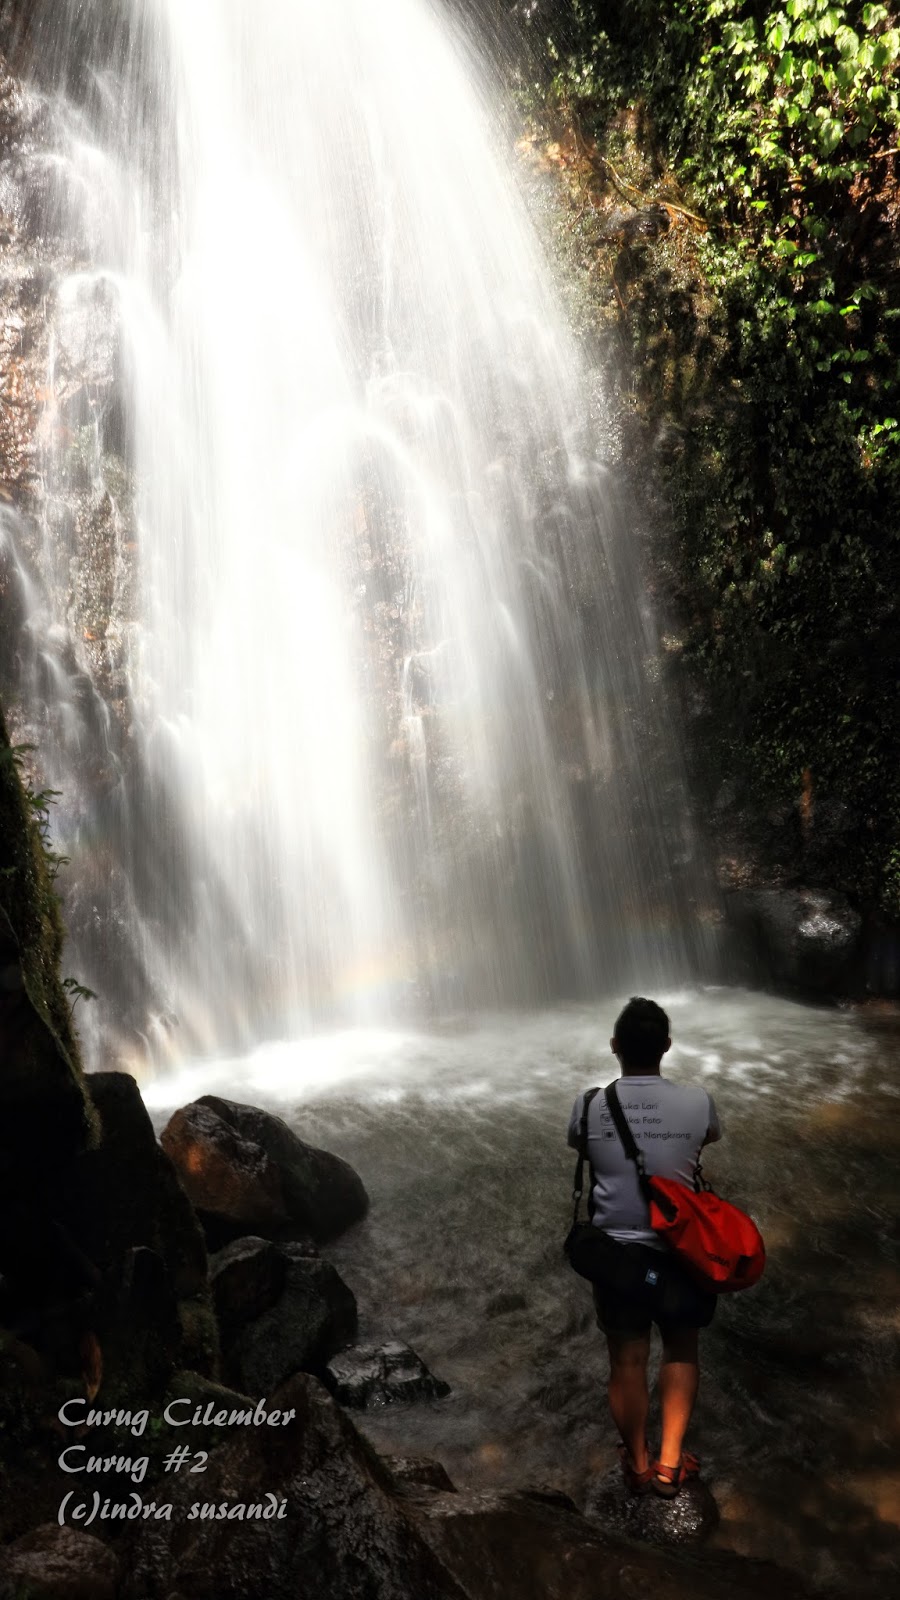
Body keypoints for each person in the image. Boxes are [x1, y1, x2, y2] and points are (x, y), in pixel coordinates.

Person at [567, 996, 722, 1498]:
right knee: (681, 1348)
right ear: (667, 1048)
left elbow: (579, 1144)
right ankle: (671, 1466)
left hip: (618, 1257)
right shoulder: (698, 1101)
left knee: (626, 1360)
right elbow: (708, 1139)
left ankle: (636, 1463)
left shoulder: (589, 1105)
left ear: (614, 1047)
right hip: (681, 1250)